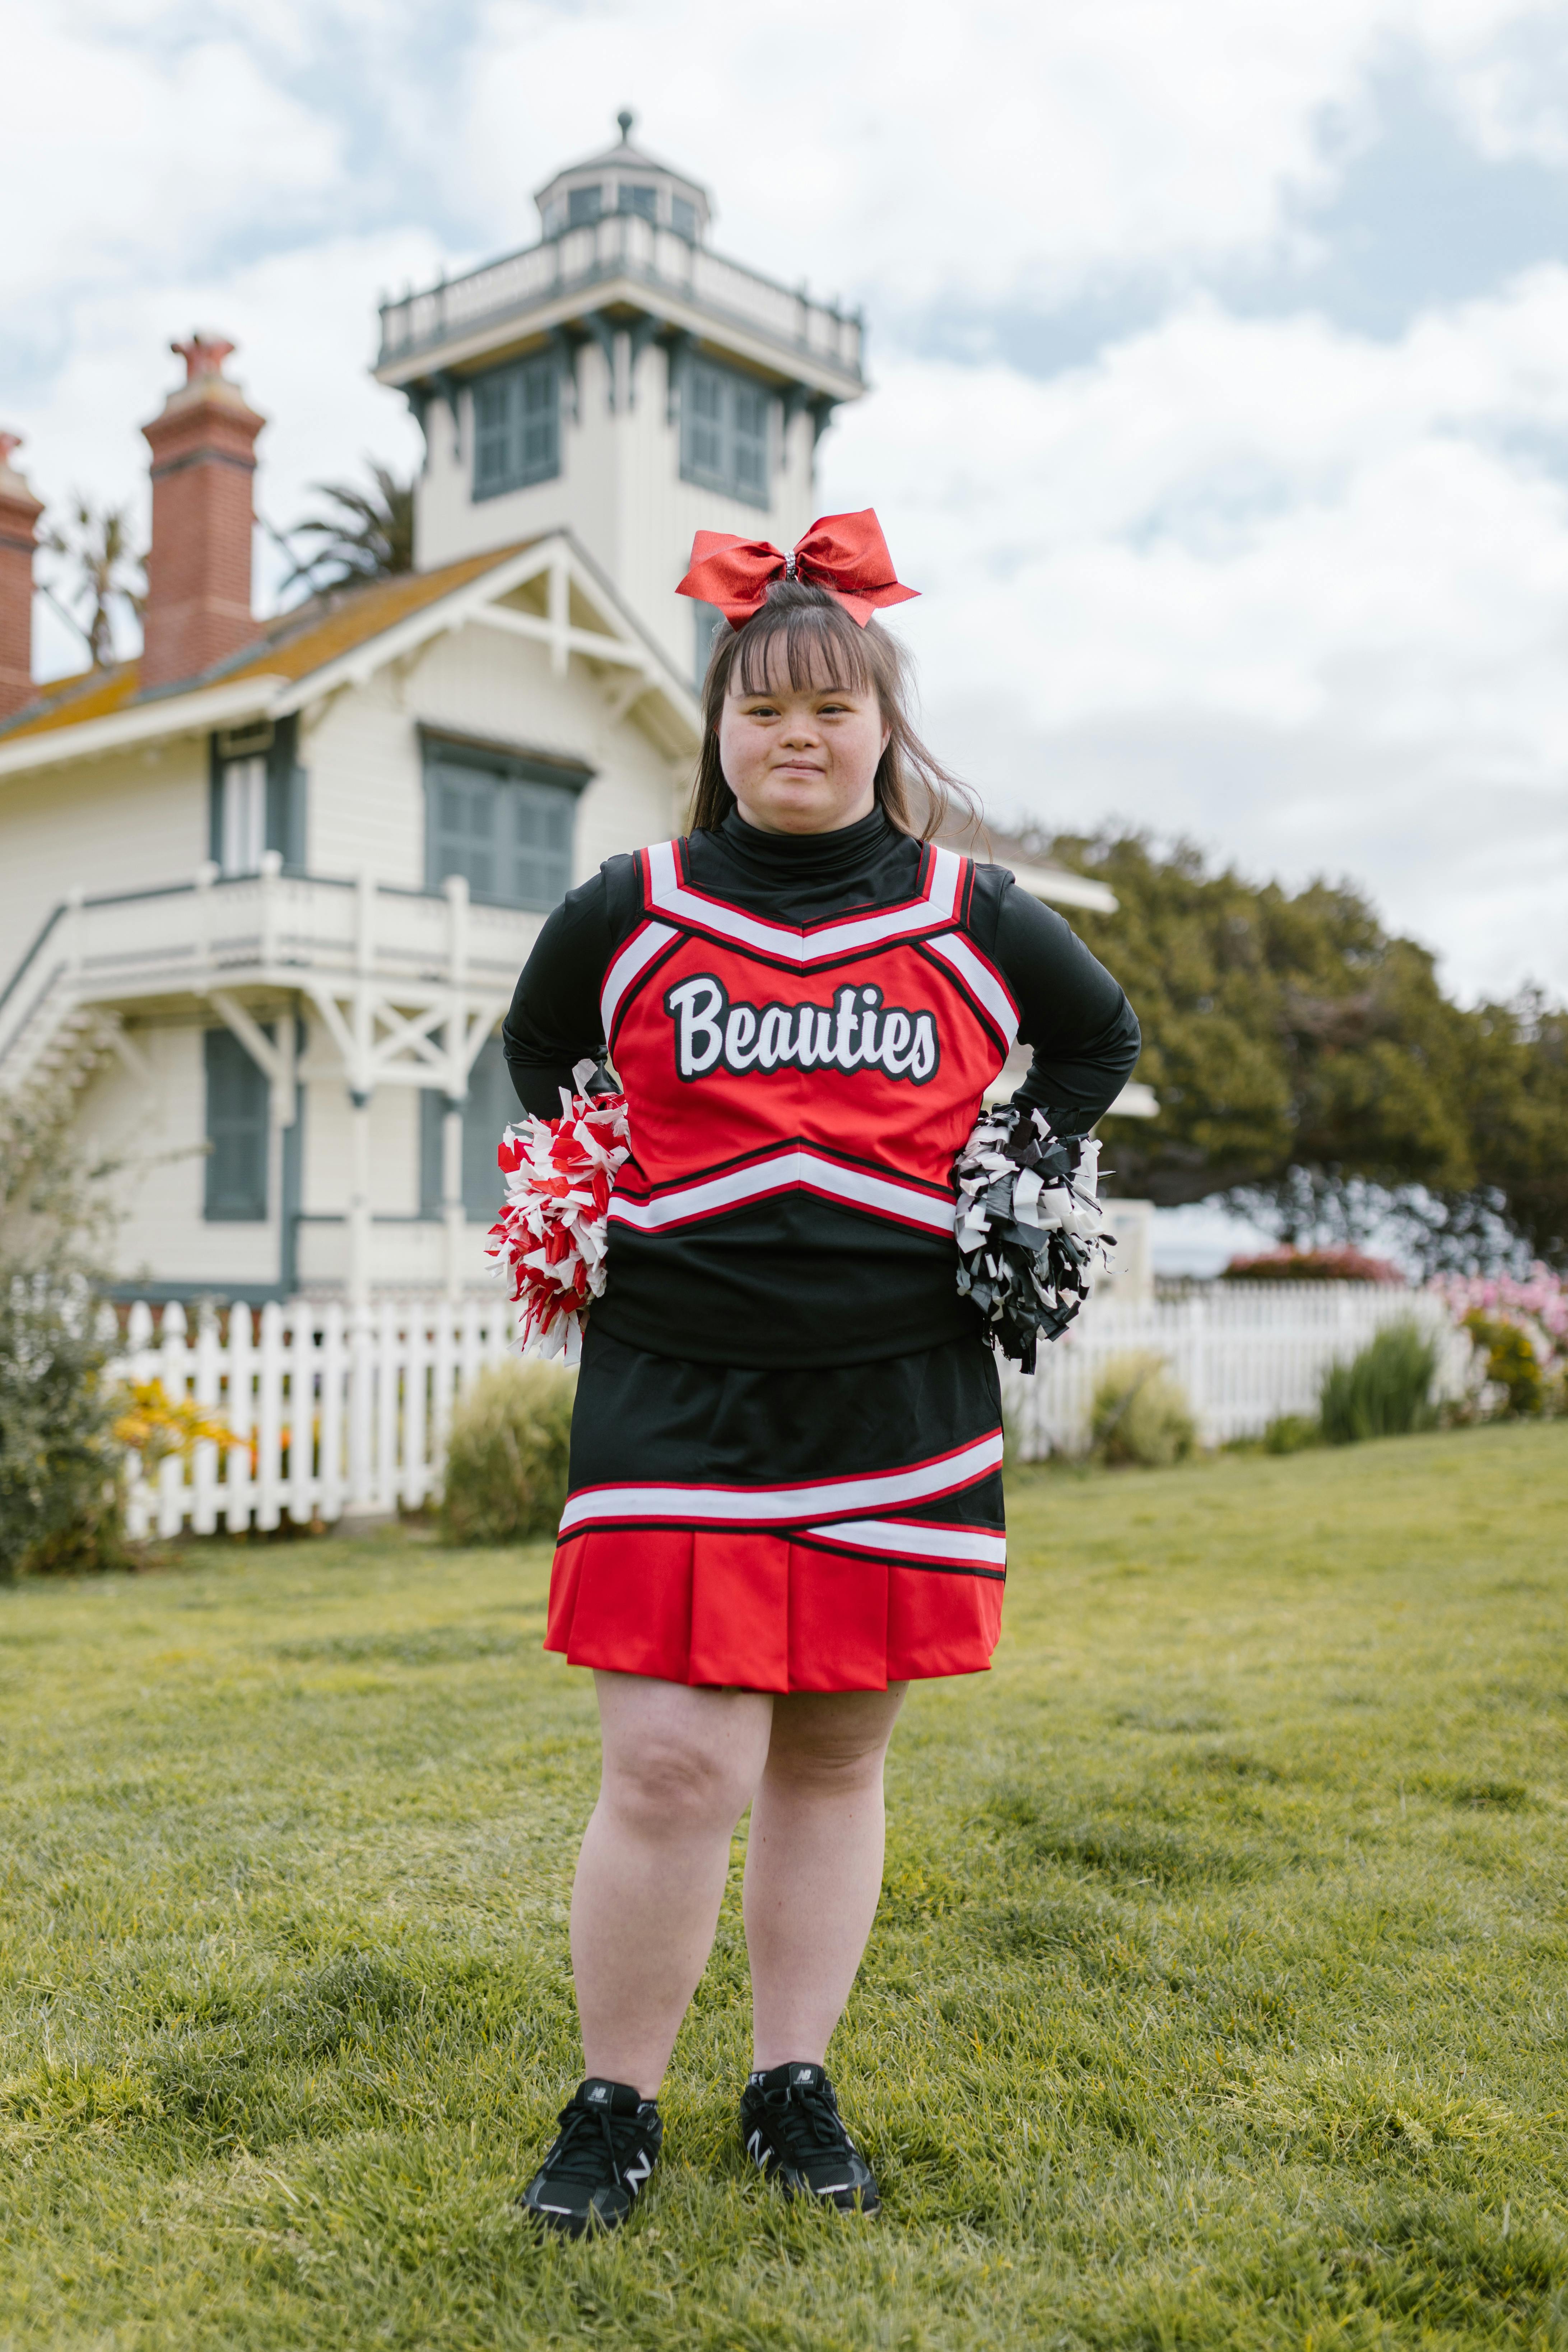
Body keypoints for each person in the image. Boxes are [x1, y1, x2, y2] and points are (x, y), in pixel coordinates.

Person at [501, 512, 1140, 2235]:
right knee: (667, 1766)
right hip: (674, 1393)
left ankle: (792, 2081)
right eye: (764, 708)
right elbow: (539, 1051)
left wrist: (1024, 1169)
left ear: (882, 727)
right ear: (719, 726)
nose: (799, 736)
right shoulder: (633, 902)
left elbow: (1098, 1038)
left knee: (837, 1755)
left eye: (833, 709)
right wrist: (595, 1180)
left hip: (896, 1392)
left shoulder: (967, 910)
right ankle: (613, 2104)